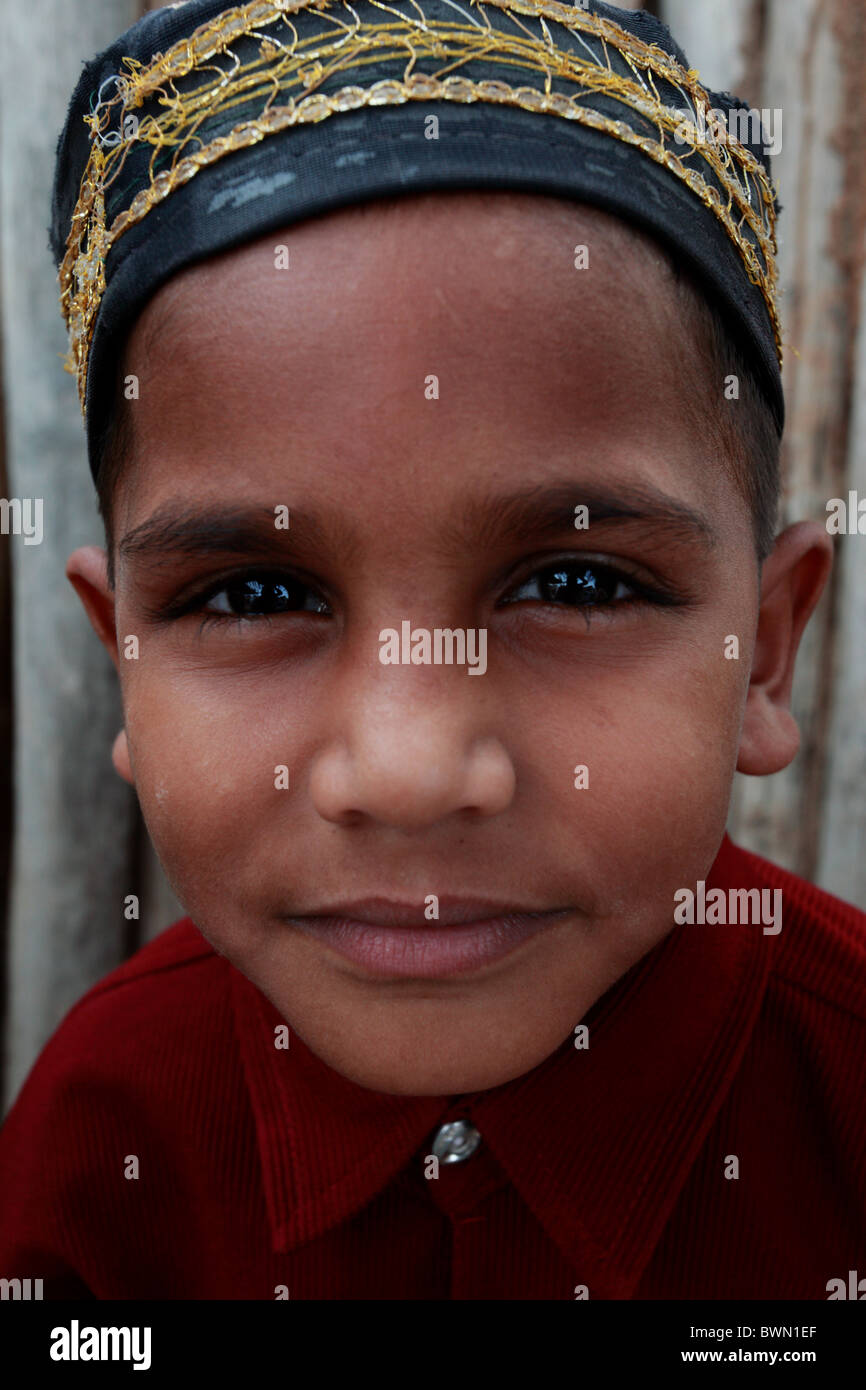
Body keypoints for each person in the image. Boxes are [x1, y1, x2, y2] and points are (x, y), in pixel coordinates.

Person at [0, 0, 863, 1300]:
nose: (407, 769)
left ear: (762, 648)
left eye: (573, 580)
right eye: (250, 595)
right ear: (124, 657)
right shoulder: (107, 1122)